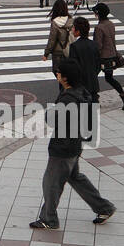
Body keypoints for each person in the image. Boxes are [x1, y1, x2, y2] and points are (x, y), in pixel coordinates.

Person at [30, 59, 115, 230]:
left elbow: (52, 120)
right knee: (75, 177)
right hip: (75, 144)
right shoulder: (81, 92)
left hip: (63, 147)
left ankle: (49, 219)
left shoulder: (68, 99)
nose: (57, 74)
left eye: (59, 72)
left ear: (66, 77)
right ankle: (104, 208)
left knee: (51, 183)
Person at [92, 2, 124, 110]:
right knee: (109, 78)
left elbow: (98, 46)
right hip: (112, 56)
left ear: (98, 14)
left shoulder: (99, 28)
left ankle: (94, 101)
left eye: (95, 12)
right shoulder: (111, 24)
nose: (94, 14)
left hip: (102, 59)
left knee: (91, 78)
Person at [43, 0, 73, 75]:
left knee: (58, 73)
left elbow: (52, 40)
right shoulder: (71, 20)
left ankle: (64, 86)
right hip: (69, 50)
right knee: (68, 74)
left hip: (58, 52)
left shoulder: (55, 22)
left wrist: (46, 53)